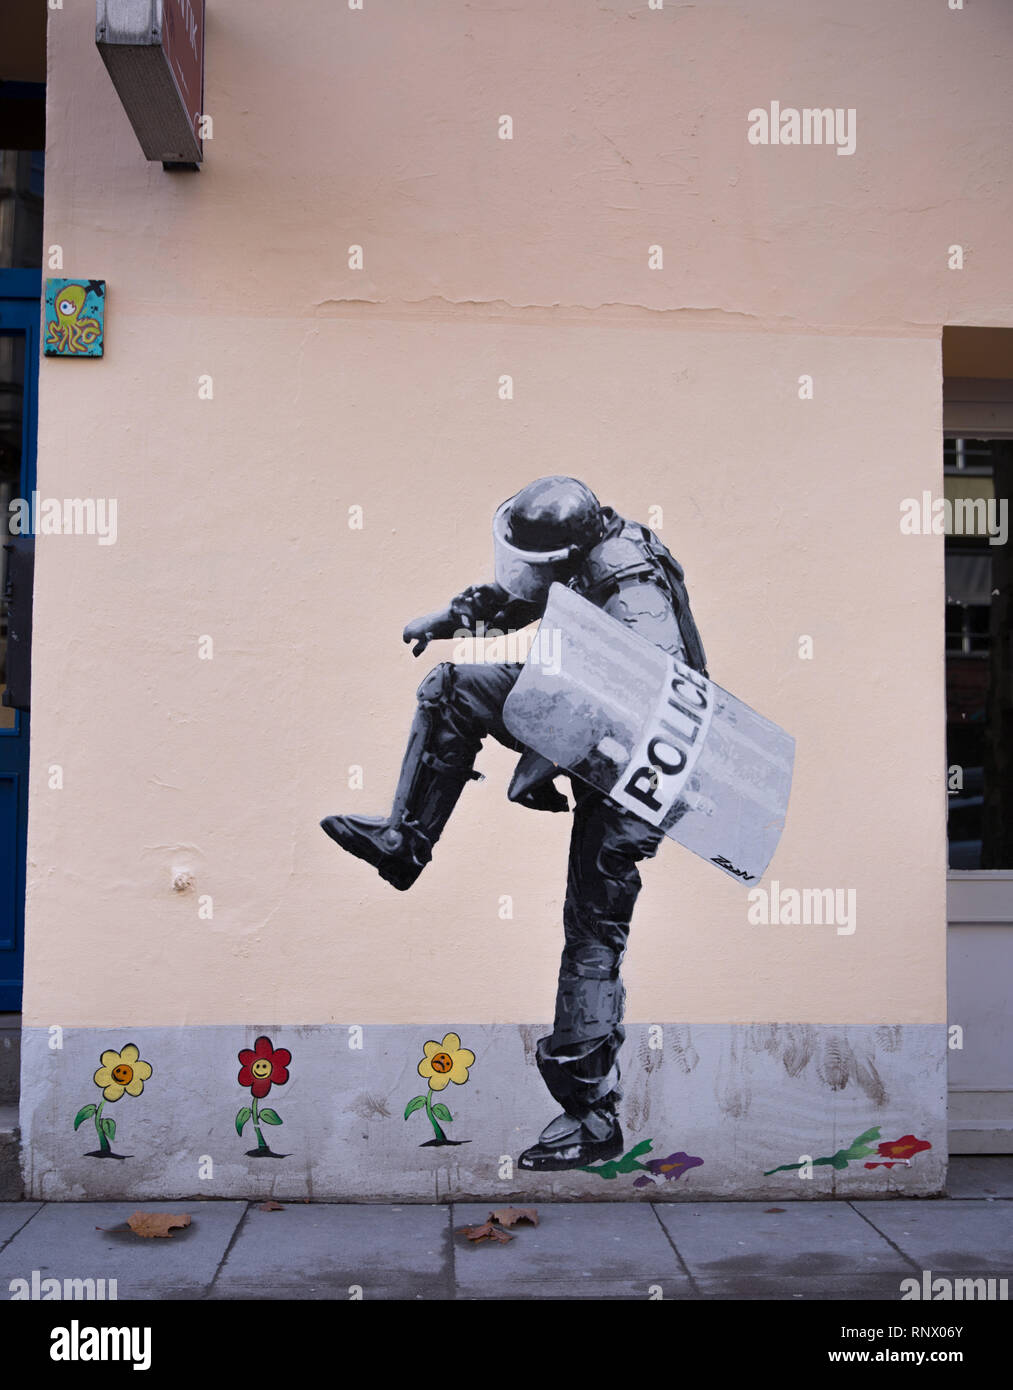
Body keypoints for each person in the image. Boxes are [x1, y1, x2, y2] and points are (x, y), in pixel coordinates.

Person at [321, 476, 707, 1170]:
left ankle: (588, 1116)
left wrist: (537, 761)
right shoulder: (573, 555)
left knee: (591, 925)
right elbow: (521, 596)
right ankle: (404, 841)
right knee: (455, 685)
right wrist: (447, 620)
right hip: (583, 708)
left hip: (642, 764)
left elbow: (650, 694)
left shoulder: (631, 588)